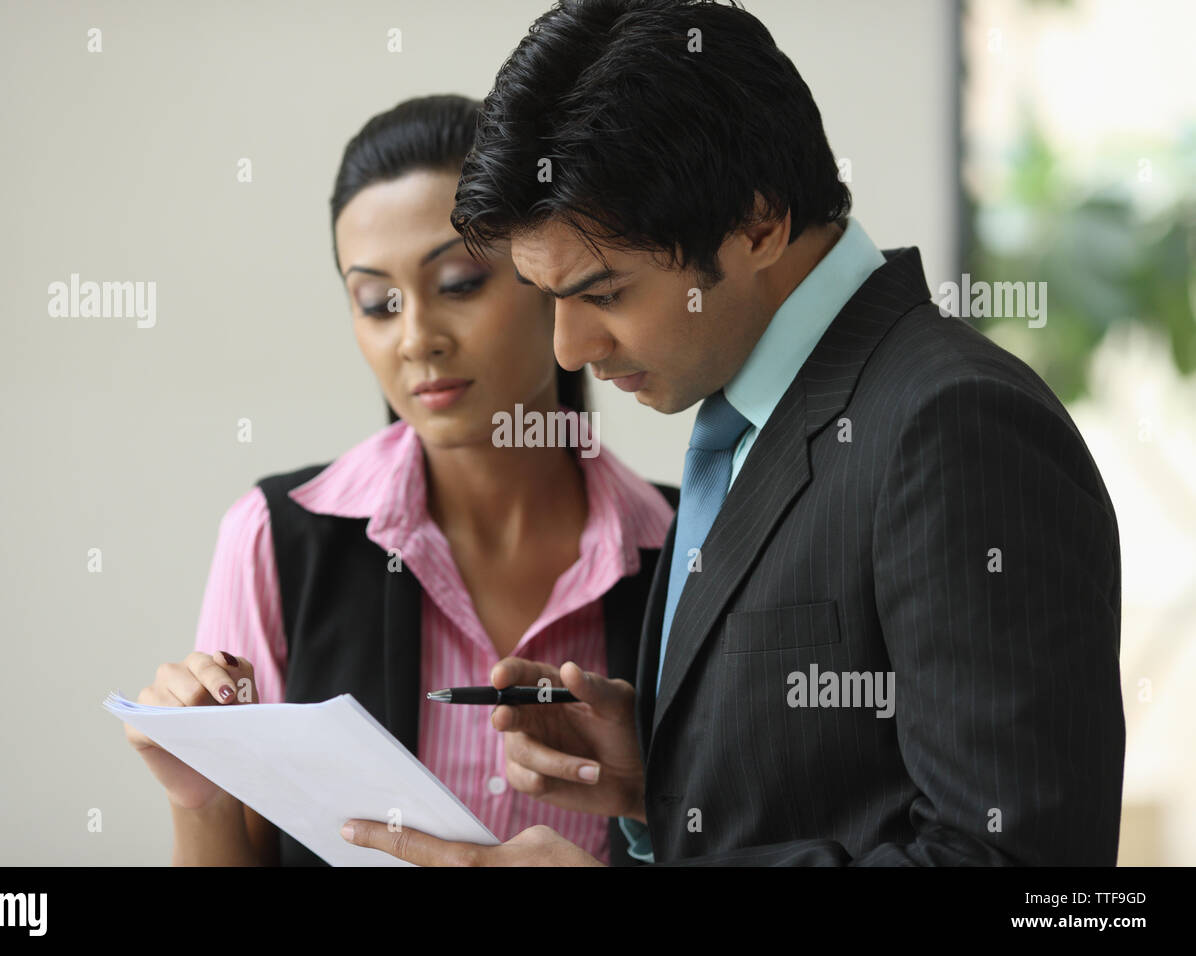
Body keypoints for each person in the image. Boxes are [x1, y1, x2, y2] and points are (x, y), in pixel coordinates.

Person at [339, 0, 1126, 866]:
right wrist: (669, 786)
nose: (570, 347)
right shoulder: (746, 418)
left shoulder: (954, 425)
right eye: (549, 299)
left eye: (602, 293)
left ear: (758, 222)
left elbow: (1030, 875)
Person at [123, 93, 677, 866]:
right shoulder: (273, 538)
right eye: (377, 302)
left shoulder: (693, 548)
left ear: (547, 277)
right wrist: (203, 791)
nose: (417, 338)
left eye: (457, 283)